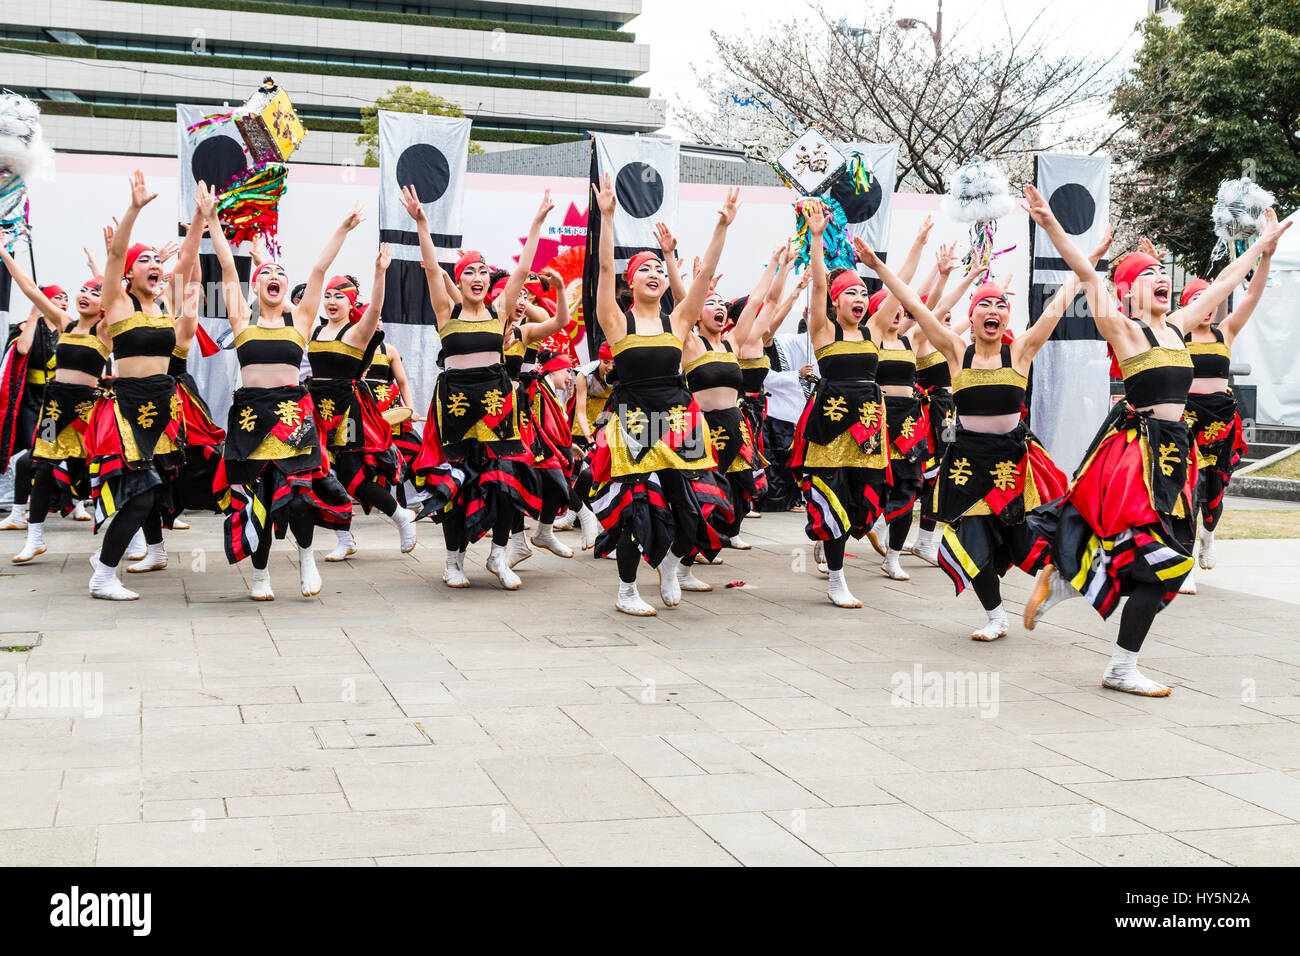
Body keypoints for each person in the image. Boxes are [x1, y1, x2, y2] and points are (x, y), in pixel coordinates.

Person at [1021, 187, 1289, 695]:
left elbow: (1230, 282)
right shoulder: (1122, 328)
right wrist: (1052, 225)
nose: (1160, 278)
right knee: (1164, 560)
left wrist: (1264, 246)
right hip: (1135, 455)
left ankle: (1076, 591)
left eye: (1161, 273)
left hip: (1175, 451)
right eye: (1146, 275)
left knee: (1171, 559)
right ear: (1125, 293)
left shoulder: (1181, 328)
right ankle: (1112, 650)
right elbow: (1084, 273)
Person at [853, 226, 1099, 641]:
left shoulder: (1020, 350)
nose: (993, 310)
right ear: (972, 316)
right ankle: (996, 616)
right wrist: (878, 267)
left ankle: (1058, 580)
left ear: (1006, 317)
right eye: (984, 304)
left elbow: (1058, 306)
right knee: (973, 539)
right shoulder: (954, 350)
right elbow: (915, 303)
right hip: (967, 461)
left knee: (1030, 536)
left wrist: (1086, 262)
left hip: (1013, 461)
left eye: (1000, 305)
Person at [587, 174, 740, 615]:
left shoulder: (679, 321)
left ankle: (672, 564)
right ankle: (627, 590)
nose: (655, 274)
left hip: (678, 420)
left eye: (659, 269)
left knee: (694, 508)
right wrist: (608, 215)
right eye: (645, 270)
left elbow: (706, 274)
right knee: (635, 507)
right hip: (634, 419)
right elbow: (601, 268)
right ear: (630, 283)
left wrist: (722, 227)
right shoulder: (617, 322)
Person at [201, 182, 357, 600]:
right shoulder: (242, 322)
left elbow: (321, 271)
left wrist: (342, 229)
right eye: (265, 272)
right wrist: (212, 219)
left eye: (280, 273)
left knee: (299, 499)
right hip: (251, 420)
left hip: (293, 419)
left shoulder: (301, 321)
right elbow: (226, 266)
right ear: (256, 288)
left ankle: (306, 559)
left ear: (286, 288)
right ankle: (260, 576)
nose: (273, 276)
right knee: (256, 501)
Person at [402, 187, 551, 590]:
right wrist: (422, 223)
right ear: (458, 281)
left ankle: (499, 556)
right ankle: (453, 562)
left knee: (506, 479)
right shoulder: (446, 312)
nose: (478, 277)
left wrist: (537, 223)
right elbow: (432, 268)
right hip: (453, 409)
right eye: (469, 271)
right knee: (455, 483)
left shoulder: (501, 313)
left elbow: (521, 270)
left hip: (497, 407)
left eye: (483, 272)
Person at [83, 171, 183, 599]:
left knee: (155, 494)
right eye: (146, 262)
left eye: (158, 262)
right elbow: (119, 253)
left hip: (161, 407)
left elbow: (188, 259)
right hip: (125, 410)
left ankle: (145, 552)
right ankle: (104, 575)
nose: (156, 266)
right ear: (126, 274)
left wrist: (201, 221)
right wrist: (135, 209)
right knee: (140, 497)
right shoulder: (118, 302)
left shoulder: (162, 306)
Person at [788, 200, 893, 608]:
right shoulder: (823, 331)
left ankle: (840, 548)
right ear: (834, 302)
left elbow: (901, 297)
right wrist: (816, 238)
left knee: (861, 502)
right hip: (829, 427)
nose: (860, 298)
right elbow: (816, 285)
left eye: (864, 293)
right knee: (831, 502)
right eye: (850, 292)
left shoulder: (875, 331)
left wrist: (888, 264)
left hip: (868, 425)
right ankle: (837, 578)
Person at [1174, 247, 1271, 593]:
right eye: (1197, 299)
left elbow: (1253, 294)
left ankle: (1208, 536)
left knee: (1215, 490)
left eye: (1209, 299)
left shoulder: (1225, 332)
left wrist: (1266, 257)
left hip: (1222, 422)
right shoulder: (1175, 336)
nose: (1206, 306)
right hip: (1186, 423)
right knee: (1189, 491)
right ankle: (1184, 564)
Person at [0, 248, 105, 564]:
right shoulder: (65, 322)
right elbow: (30, 289)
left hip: (88, 411)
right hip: (54, 410)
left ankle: (135, 538)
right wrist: (4, 253)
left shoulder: (107, 331)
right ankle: (35, 538)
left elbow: (114, 290)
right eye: (83, 290)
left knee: (103, 473)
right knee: (40, 466)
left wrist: (102, 266)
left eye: (95, 292)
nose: (84, 294)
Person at [307, 262, 415, 560]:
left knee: (352, 476)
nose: (331, 301)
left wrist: (379, 272)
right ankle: (345, 536)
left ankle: (400, 516)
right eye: (328, 295)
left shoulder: (359, 331)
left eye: (339, 296)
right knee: (322, 475)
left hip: (349, 413)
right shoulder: (314, 330)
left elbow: (376, 305)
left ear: (352, 302)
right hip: (317, 410)